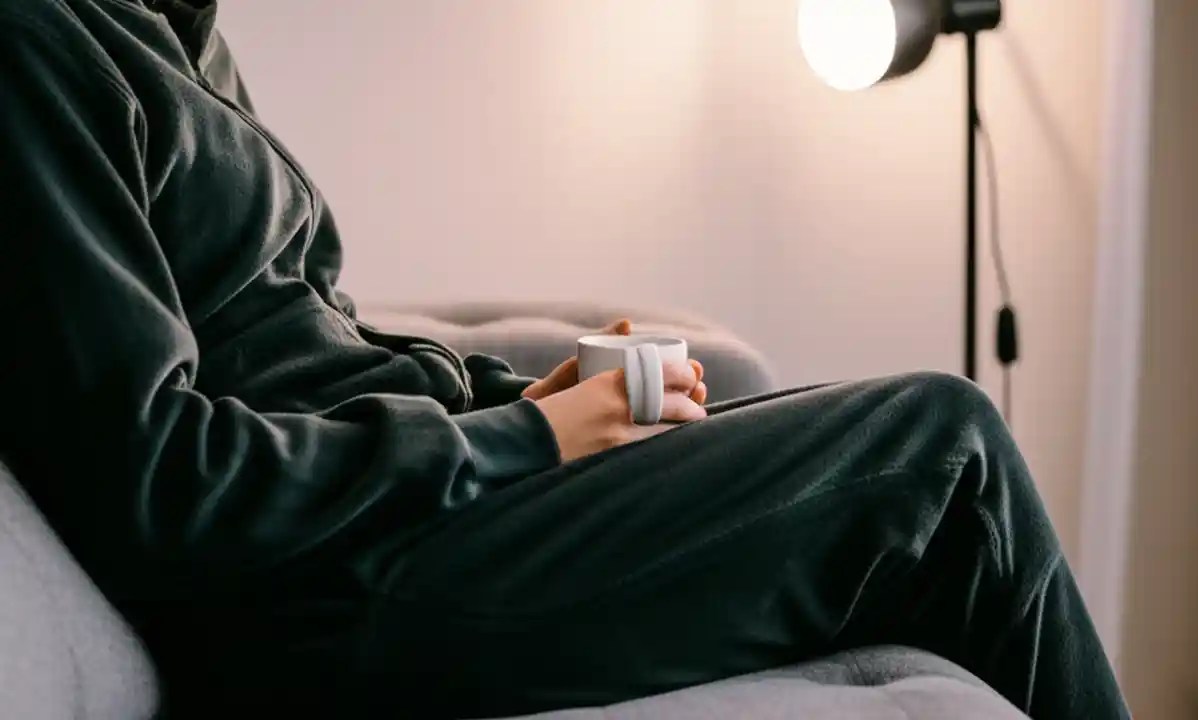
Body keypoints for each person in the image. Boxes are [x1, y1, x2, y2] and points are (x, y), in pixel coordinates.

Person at [0, 1, 1130, 718]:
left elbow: (305, 340)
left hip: (415, 529)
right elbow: (167, 482)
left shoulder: (172, 28)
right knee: (942, 452)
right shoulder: (37, 43)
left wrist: (515, 398)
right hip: (342, 596)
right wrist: (528, 437)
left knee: (888, 459)